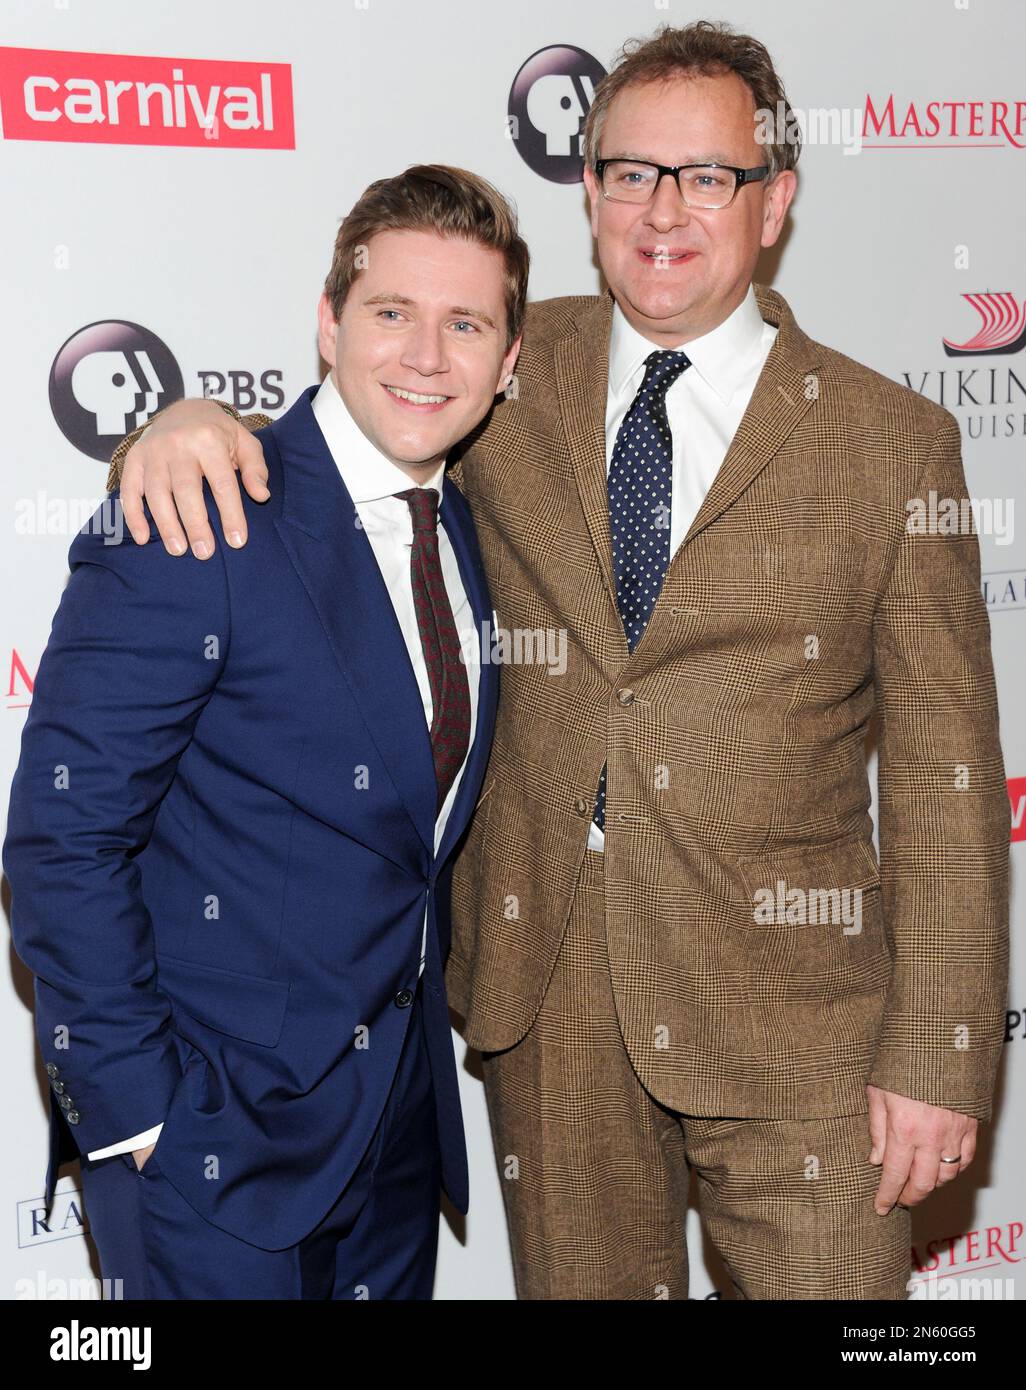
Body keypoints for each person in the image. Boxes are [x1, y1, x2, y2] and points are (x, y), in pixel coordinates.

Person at [103, 21, 1009, 1300]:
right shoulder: (509, 369)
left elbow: (946, 779)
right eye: (631, 172)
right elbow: (364, 421)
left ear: (777, 200)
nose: (665, 210)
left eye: (710, 176)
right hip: (552, 1003)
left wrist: (938, 1054)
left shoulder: (892, 442)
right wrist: (188, 425)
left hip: (803, 1025)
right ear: (589, 192)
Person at [4, 164, 525, 1299]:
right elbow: (60, 839)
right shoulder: (199, 508)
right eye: (392, 313)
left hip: (391, 1144)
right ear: (329, 324)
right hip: (211, 1149)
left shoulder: (468, 530)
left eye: (466, 323)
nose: (427, 355)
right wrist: (139, 1116)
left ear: (509, 359)